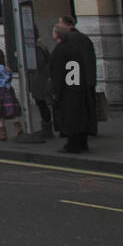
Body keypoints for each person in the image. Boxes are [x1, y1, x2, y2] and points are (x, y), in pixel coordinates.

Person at [50, 16, 97, 153]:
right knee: (80, 116)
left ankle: (73, 144)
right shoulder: (74, 48)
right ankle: (82, 143)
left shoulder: (60, 50)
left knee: (70, 118)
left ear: (57, 34)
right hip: (77, 85)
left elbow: (58, 74)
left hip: (67, 89)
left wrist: (56, 92)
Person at [0, 48, 23, 140]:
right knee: (12, 111)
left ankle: (2, 134)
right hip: (6, 90)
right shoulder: (2, 68)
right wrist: (9, 72)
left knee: (1, 113)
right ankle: (19, 130)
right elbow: (7, 78)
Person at [29, 26, 53, 137]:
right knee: (42, 104)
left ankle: (47, 129)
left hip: (39, 80)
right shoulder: (39, 45)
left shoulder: (36, 47)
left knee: (42, 104)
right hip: (40, 79)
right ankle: (46, 128)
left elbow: (39, 63)